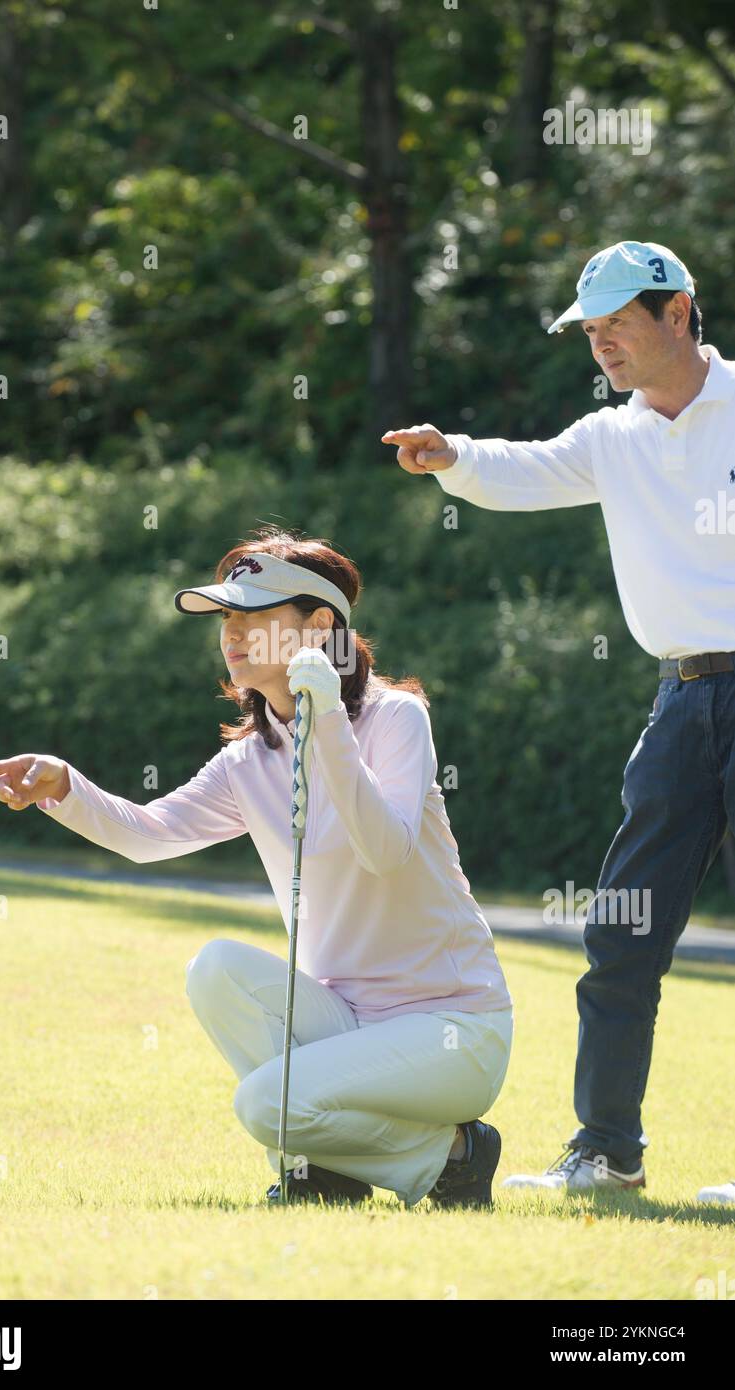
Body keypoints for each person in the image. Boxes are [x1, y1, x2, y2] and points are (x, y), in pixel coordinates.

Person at [0, 528, 513, 1210]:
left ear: (320, 628)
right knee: (215, 968)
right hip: (345, 1021)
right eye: (227, 615)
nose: (232, 631)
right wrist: (63, 786)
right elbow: (150, 834)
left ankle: (430, 1156)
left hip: (453, 1034)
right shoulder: (248, 759)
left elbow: (385, 849)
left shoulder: (394, 719)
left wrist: (325, 720)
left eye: (254, 614)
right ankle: (372, 1167)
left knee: (264, 1102)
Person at [382, 239, 735, 1205]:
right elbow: (520, 467)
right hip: (680, 700)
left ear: (677, 312)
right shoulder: (609, 437)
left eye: (618, 322)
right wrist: (449, 456)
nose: (601, 344)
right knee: (621, 932)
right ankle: (606, 1150)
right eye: (590, 330)